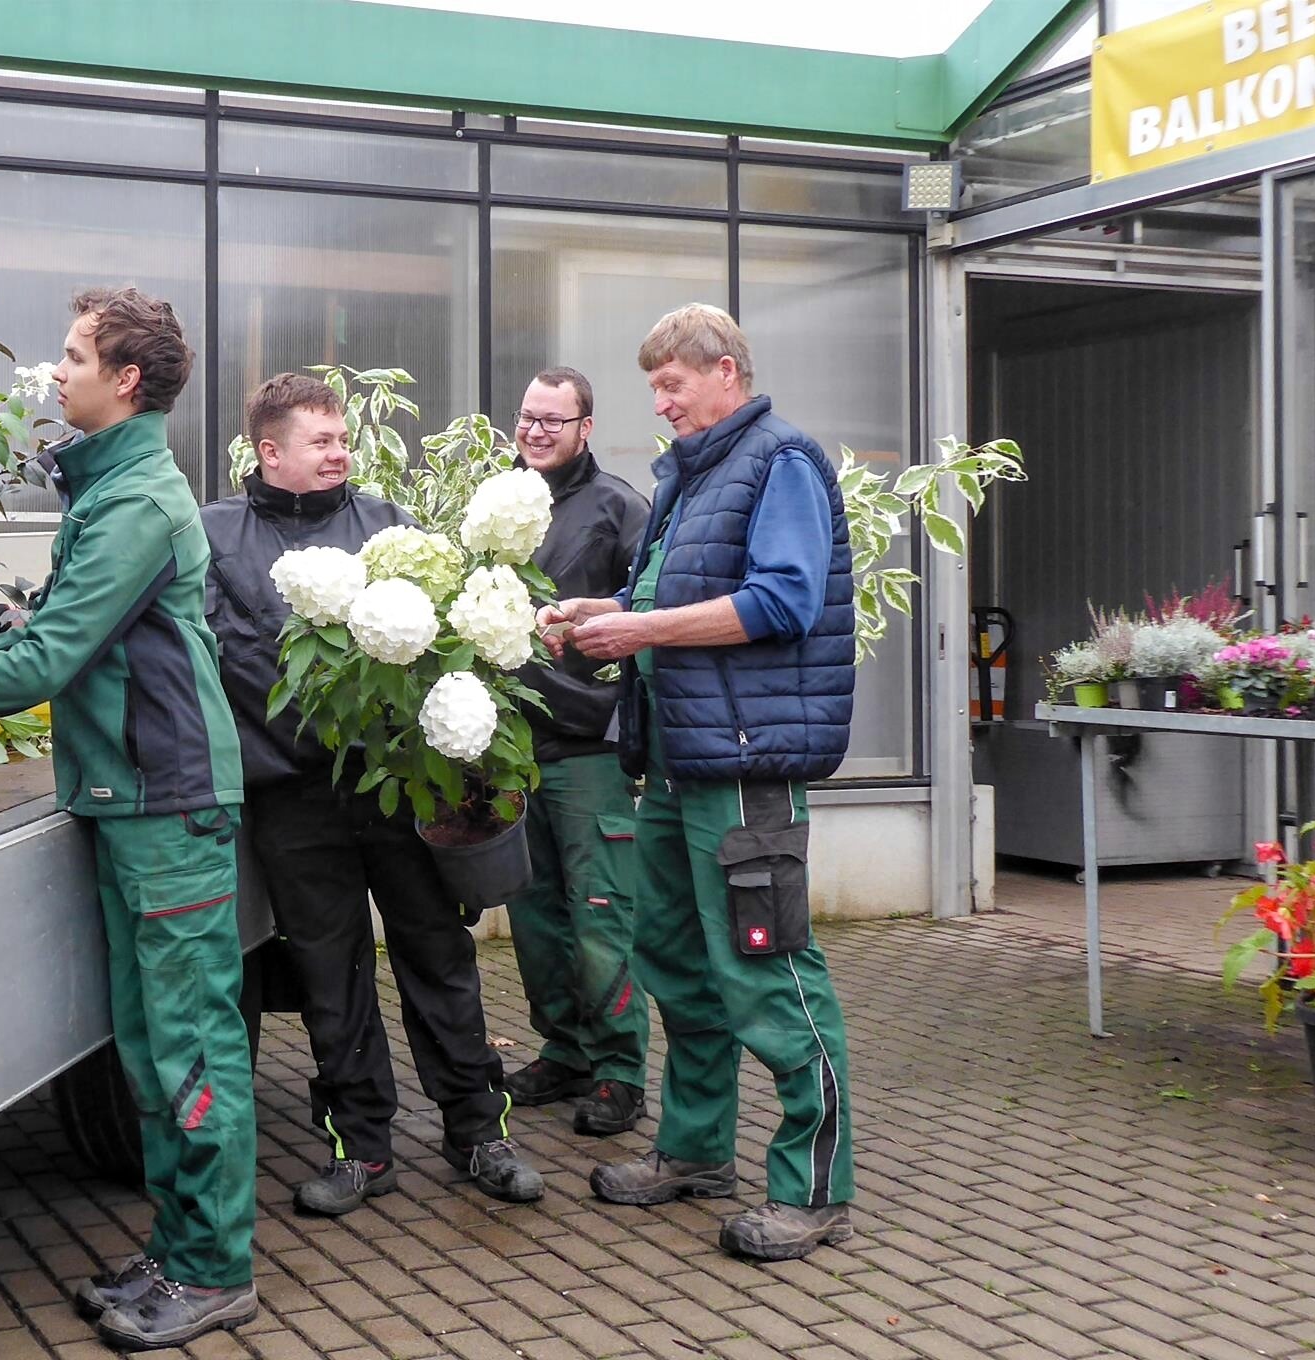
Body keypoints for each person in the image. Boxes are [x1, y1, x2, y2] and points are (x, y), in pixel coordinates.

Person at [0, 287, 257, 1351]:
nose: (57, 370)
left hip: (169, 805)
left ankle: (215, 1269)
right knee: (150, 1045)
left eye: (74, 355)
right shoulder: (109, 488)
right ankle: (179, 1245)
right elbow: (71, 633)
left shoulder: (137, 501)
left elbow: (54, 660)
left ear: (126, 378)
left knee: (191, 1047)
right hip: (133, 796)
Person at [540, 303, 859, 1262]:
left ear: (726, 372)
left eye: (672, 385)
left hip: (748, 766)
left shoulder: (780, 461)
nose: (661, 404)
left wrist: (641, 630)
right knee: (675, 960)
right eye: (655, 388)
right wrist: (604, 609)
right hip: (679, 762)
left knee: (771, 972)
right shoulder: (695, 475)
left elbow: (783, 600)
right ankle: (693, 1151)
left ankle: (814, 1190)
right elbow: (668, 597)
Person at [202, 372, 545, 1217]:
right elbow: (219, 662)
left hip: (395, 788)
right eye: (320, 441)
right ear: (270, 450)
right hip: (291, 800)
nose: (339, 455)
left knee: (439, 956)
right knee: (331, 975)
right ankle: (362, 1149)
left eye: (343, 440)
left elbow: (445, 648)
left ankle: (479, 1133)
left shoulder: (389, 528)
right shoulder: (215, 536)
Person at [499, 367, 653, 1136]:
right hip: (513, 750)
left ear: (585, 428)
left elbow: (654, 612)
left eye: (552, 421)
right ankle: (565, 1051)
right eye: (528, 416)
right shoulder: (497, 505)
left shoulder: (620, 508)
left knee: (600, 920)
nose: (535, 431)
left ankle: (620, 1071)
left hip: (588, 750)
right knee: (535, 922)